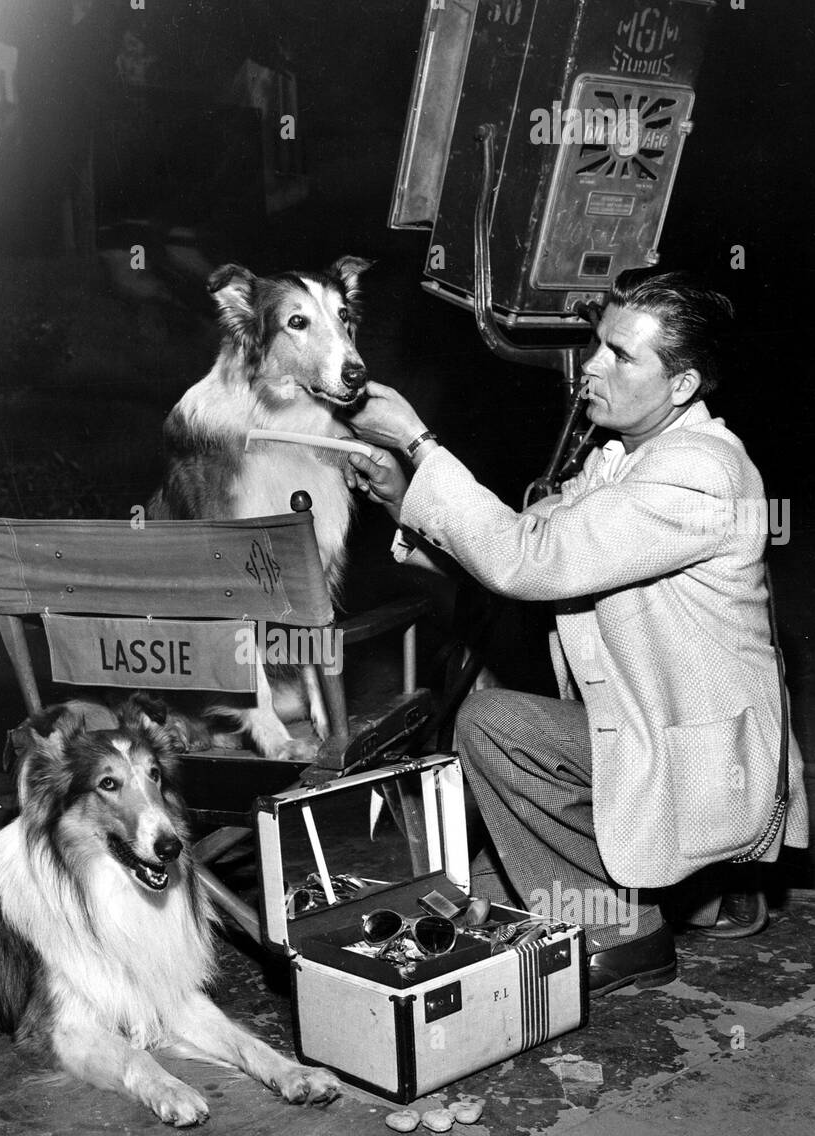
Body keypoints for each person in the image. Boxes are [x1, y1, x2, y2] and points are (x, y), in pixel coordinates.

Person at [344, 268, 808, 996]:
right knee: (485, 869)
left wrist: (418, 441)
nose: (590, 366)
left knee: (495, 726)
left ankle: (629, 936)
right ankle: (694, 891)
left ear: (681, 386)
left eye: (621, 356)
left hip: (704, 762)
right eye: (597, 344)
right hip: (656, 731)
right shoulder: (619, 458)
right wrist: (412, 500)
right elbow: (519, 545)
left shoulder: (697, 474)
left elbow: (529, 563)